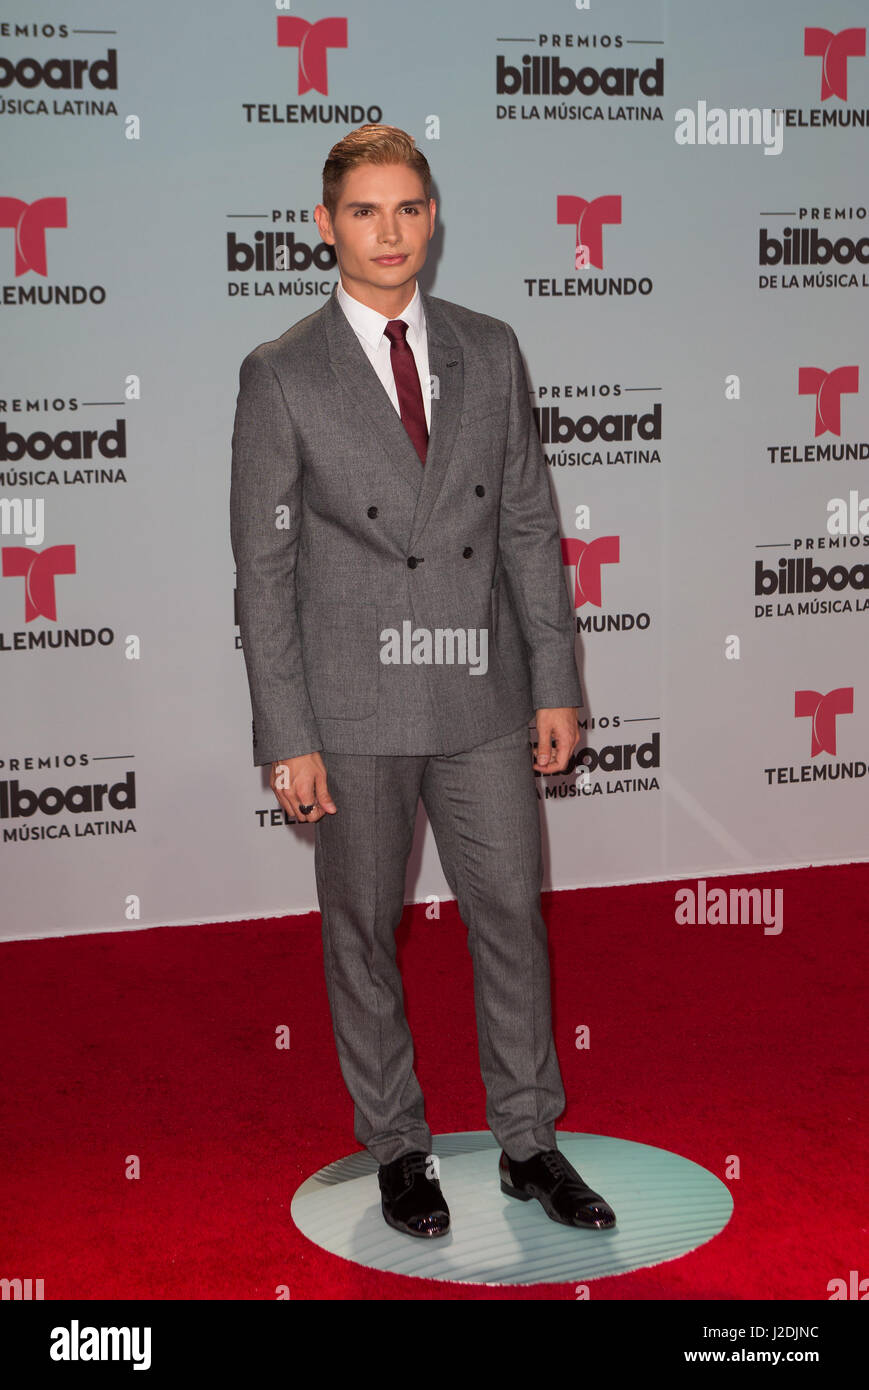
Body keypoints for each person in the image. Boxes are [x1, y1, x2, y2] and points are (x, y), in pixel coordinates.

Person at [230, 124, 616, 1239]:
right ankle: (398, 1147)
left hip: (482, 691)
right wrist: (284, 730)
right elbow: (264, 568)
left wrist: (554, 677)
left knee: (508, 914)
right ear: (325, 224)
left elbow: (531, 526)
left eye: (407, 209)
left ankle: (528, 1138)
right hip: (349, 707)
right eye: (364, 211)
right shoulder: (281, 373)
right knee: (361, 925)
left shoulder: (488, 349)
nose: (388, 232)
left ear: (431, 218)